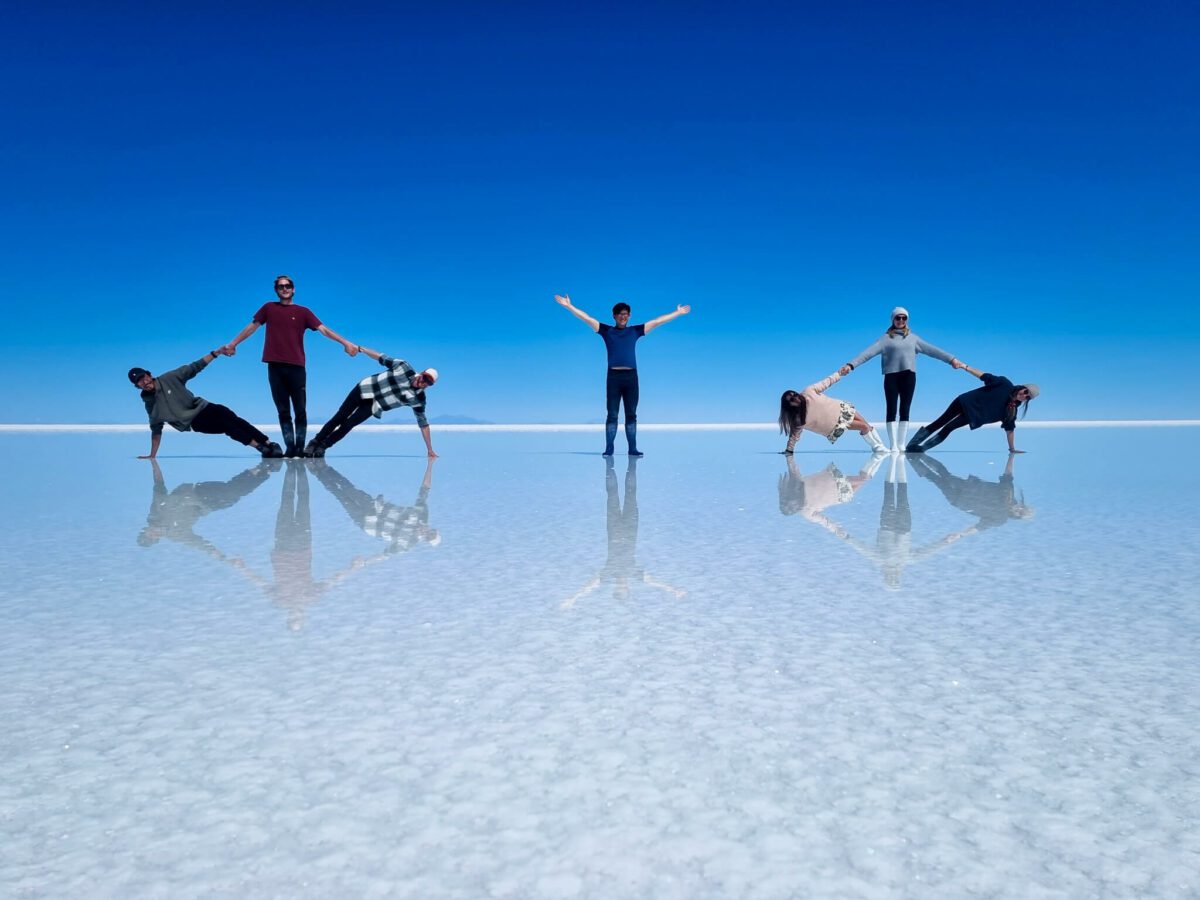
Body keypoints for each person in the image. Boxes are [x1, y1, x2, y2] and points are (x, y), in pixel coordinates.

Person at [222, 275, 360, 457]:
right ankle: (290, 448)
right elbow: (252, 327)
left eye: (287, 286)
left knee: (300, 410)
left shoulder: (303, 312)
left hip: (296, 367)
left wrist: (345, 343)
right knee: (283, 411)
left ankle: (300, 449)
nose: (284, 289)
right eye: (281, 286)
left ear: (293, 289)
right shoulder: (269, 308)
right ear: (276, 290)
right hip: (275, 367)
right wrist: (233, 343)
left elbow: (324, 329)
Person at [554, 293, 691, 456]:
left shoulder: (635, 331)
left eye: (625, 314)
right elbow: (587, 318)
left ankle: (632, 448)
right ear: (614, 316)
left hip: (631, 378)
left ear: (629, 316)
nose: (622, 317)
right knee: (612, 415)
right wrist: (569, 306)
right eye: (619, 314)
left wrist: (677, 313)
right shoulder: (607, 331)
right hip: (613, 378)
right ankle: (609, 448)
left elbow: (657, 321)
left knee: (631, 415)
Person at [839, 307, 962, 452]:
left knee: (905, 410)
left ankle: (901, 444)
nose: (901, 320)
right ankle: (894, 445)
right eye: (898, 318)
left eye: (904, 318)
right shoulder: (885, 339)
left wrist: (951, 359)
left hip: (908, 376)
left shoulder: (913, 338)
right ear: (893, 320)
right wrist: (851, 365)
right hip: (891, 377)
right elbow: (867, 353)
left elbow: (933, 350)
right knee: (891, 409)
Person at [129, 351, 283, 459]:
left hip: (204, 407)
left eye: (144, 377)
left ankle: (268, 443)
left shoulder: (170, 378)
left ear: (150, 374)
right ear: (137, 386)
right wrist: (152, 455)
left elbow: (195, 366)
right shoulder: (152, 406)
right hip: (194, 422)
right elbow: (156, 430)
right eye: (139, 381)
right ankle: (260, 447)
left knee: (231, 416)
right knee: (226, 425)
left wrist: (216, 353)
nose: (144, 382)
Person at [304, 346, 438, 458]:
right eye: (425, 377)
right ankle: (314, 442)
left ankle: (323, 446)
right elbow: (381, 357)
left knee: (348, 424)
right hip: (365, 388)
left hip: (375, 405)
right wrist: (360, 349)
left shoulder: (418, 398)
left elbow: (423, 423)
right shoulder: (403, 367)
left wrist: (430, 449)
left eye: (429, 382)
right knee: (340, 416)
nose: (424, 382)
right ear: (421, 373)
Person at [906, 366, 1039, 453]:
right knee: (940, 422)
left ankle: (921, 449)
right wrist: (965, 367)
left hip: (971, 416)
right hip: (964, 401)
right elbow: (984, 376)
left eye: (1028, 397)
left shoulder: (1011, 411)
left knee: (949, 428)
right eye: (1025, 392)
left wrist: (1012, 449)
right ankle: (911, 445)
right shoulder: (1004, 384)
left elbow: (1010, 429)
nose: (1024, 396)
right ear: (1022, 387)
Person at [778, 371, 888, 454]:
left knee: (867, 425)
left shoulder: (809, 391)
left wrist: (839, 373)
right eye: (791, 399)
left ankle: (881, 447)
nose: (795, 398)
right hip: (835, 426)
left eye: (795, 394)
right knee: (864, 426)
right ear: (789, 406)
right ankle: (877, 448)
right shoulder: (798, 419)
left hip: (842, 408)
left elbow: (827, 382)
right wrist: (789, 450)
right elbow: (794, 436)